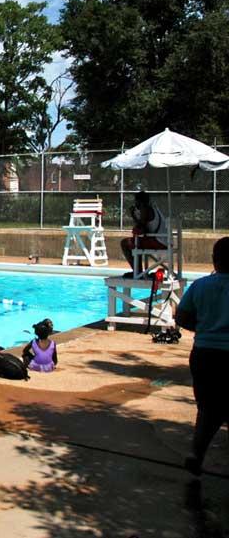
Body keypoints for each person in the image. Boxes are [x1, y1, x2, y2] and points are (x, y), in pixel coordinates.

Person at [175, 237, 229, 476]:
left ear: (214, 261)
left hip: (205, 353)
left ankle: (196, 453)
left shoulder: (200, 286)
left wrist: (205, 328)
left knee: (207, 407)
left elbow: (182, 317)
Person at [120, 191, 168, 274]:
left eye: (136, 201)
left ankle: (137, 271)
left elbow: (141, 229)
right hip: (164, 240)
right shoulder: (153, 208)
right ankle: (138, 271)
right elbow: (145, 228)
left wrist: (133, 216)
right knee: (136, 242)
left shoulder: (145, 208)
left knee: (125, 243)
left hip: (159, 242)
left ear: (138, 201)